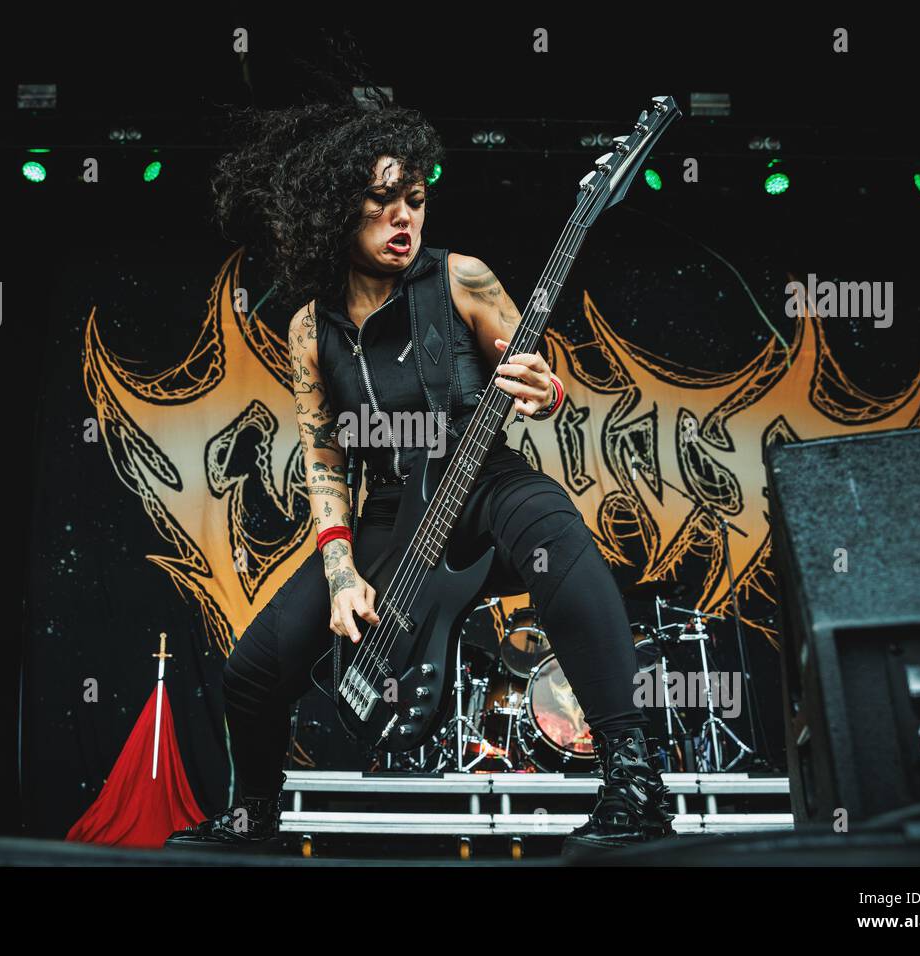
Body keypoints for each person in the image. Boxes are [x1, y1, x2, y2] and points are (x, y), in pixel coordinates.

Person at [167, 98, 674, 854]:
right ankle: (254, 821)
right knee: (253, 668)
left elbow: (532, 367)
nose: (404, 218)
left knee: (561, 544)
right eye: (381, 200)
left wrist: (549, 388)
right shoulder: (310, 327)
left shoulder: (461, 278)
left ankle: (636, 788)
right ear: (339, 208)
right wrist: (340, 572)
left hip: (484, 481)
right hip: (389, 514)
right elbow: (324, 456)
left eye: (415, 199)